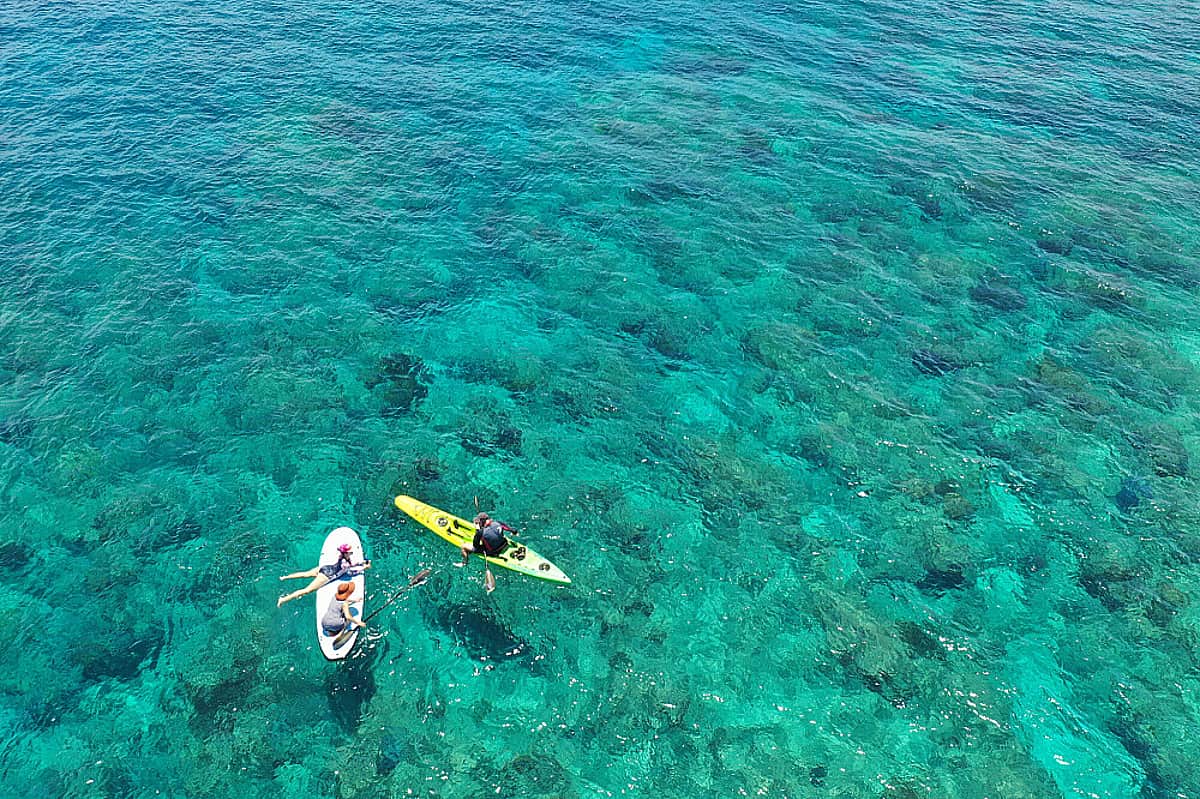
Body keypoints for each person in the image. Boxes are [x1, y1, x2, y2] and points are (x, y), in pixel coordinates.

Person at [277, 543, 371, 607]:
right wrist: (364, 568)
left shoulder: (342, 557)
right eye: (350, 552)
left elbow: (353, 564)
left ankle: (285, 577)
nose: (351, 553)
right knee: (306, 590)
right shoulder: (345, 564)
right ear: (346, 553)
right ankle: (283, 600)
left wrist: (363, 562)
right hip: (326, 576)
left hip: (325, 567)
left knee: (306, 574)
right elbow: (351, 572)